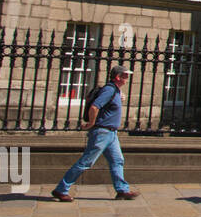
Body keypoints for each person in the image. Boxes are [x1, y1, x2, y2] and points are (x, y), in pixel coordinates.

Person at [52, 66, 139, 201]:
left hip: (111, 134)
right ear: (118, 77)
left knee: (117, 160)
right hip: (102, 132)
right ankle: (61, 189)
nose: (127, 78)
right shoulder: (109, 90)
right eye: (125, 75)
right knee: (86, 162)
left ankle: (122, 190)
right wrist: (91, 123)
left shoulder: (115, 91)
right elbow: (94, 107)